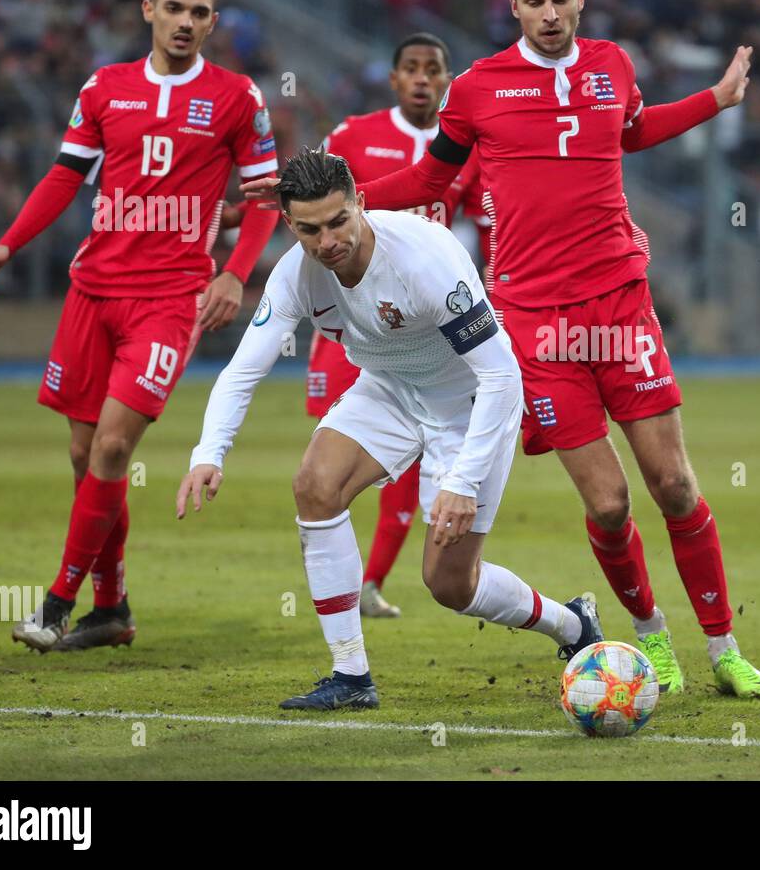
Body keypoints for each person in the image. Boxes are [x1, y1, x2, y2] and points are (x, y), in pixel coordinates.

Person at [245, 0, 760, 698]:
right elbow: (432, 175)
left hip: (621, 304)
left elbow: (630, 131)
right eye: (534, 1)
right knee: (610, 501)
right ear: (514, 3)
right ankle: (654, 640)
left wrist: (713, 102)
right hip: (533, 320)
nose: (550, 14)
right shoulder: (479, 87)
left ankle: (725, 650)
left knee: (676, 486)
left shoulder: (612, 66)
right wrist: (331, 195)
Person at [178, 149, 602, 710]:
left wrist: (464, 481)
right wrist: (210, 452)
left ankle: (571, 625)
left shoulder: (423, 258)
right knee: (314, 486)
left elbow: (500, 374)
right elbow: (243, 370)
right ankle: (350, 676)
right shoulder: (296, 275)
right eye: (309, 229)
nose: (327, 241)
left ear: (360, 202)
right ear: (290, 225)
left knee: (450, 584)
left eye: (338, 221)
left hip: (469, 402)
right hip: (388, 389)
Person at [0, 0, 280, 652]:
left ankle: (55, 605)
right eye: (175, 8)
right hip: (92, 293)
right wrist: (8, 244)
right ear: (148, 10)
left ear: (212, 21)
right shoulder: (105, 87)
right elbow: (63, 175)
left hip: (169, 301)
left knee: (114, 445)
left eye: (201, 12)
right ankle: (111, 609)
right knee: (86, 459)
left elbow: (263, 199)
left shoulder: (237, 97)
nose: (186, 22)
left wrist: (232, 274)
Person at [223, 32, 486, 619]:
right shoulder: (355, 136)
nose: (422, 78)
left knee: (412, 452)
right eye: (411, 68)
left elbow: (483, 220)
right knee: (330, 461)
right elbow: (316, 194)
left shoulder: (466, 151)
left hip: (426, 319)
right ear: (394, 79)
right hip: (351, 321)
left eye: (434, 69)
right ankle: (344, 585)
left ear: (445, 79)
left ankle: (369, 581)